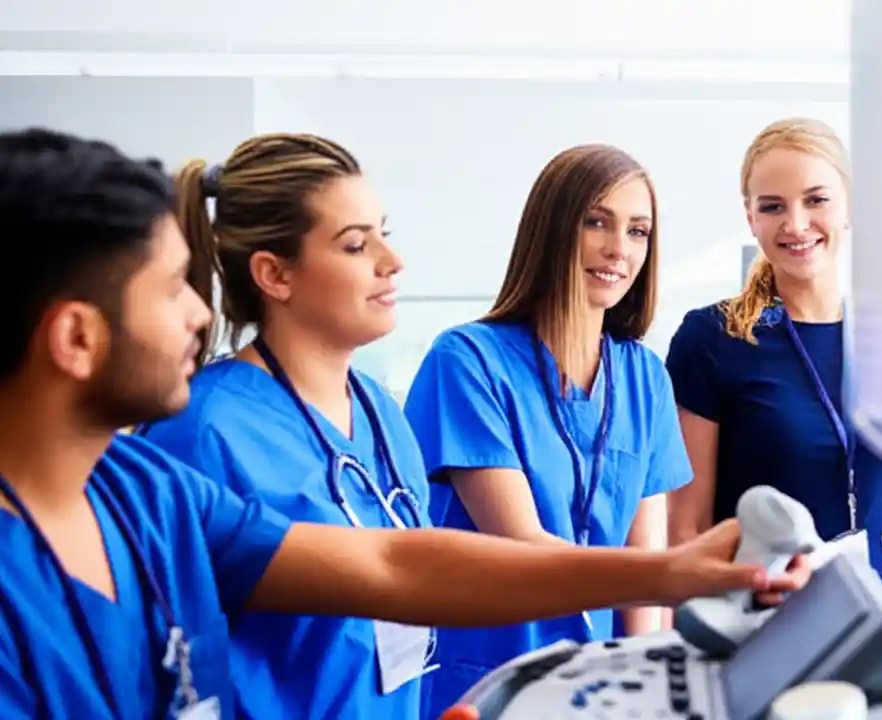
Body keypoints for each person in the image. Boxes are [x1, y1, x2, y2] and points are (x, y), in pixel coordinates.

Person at [0, 128, 808, 719]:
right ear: (76, 337)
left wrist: (671, 572)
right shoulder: (199, 440)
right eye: (171, 288)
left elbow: (392, 563)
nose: (195, 313)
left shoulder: (150, 493)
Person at [404, 143, 734, 716]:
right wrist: (675, 571)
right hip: (488, 683)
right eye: (596, 222)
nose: (618, 249)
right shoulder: (467, 361)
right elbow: (523, 547)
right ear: (552, 230)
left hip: (598, 691)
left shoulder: (644, 378)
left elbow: (643, 564)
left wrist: (648, 684)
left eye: (638, 231)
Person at [134, 132, 428, 718]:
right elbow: (161, 659)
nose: (393, 263)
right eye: (354, 246)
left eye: (384, 236)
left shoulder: (382, 411)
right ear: (275, 275)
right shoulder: (199, 430)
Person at [664, 117, 882, 585]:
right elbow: (688, 527)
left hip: (881, 617)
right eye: (772, 207)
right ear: (751, 218)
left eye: (816, 200)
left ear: (849, 205)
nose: (796, 224)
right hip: (763, 621)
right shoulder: (714, 338)